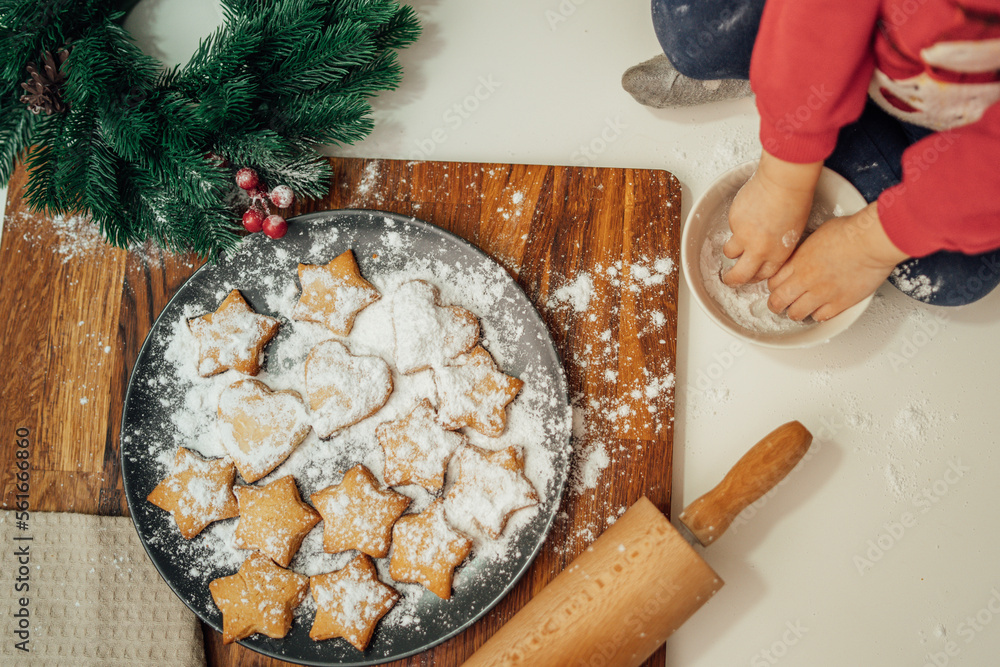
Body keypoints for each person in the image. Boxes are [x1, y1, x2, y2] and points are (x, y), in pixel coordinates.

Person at [623, 0, 1000, 319]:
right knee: (696, 32)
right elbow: (820, 16)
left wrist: (871, 244)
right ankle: (772, 79)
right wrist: (785, 171)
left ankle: (768, 76)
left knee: (952, 274)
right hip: (825, 37)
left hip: (955, 137)